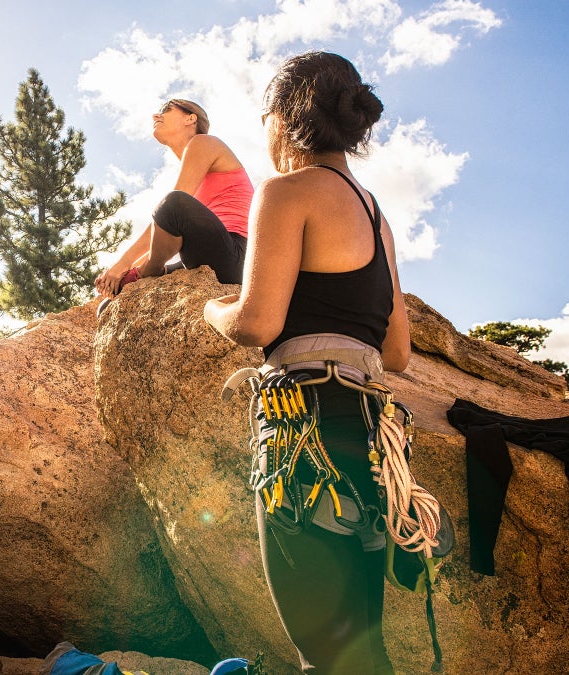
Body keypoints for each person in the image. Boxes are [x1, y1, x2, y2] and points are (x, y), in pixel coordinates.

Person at [204, 52, 411, 673]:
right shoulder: (376, 216)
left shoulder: (286, 193)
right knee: (358, 643)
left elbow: (257, 323)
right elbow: (397, 351)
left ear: (285, 118)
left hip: (305, 432)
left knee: (325, 651)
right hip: (373, 437)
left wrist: (212, 310)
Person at [95, 98, 254, 299]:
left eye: (165, 109)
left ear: (190, 118)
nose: (156, 115)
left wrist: (123, 264)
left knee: (173, 203)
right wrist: (120, 273)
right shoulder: (192, 171)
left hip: (236, 256)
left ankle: (145, 272)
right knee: (112, 300)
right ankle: (143, 273)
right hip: (206, 255)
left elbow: (169, 213)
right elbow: (164, 234)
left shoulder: (204, 143)